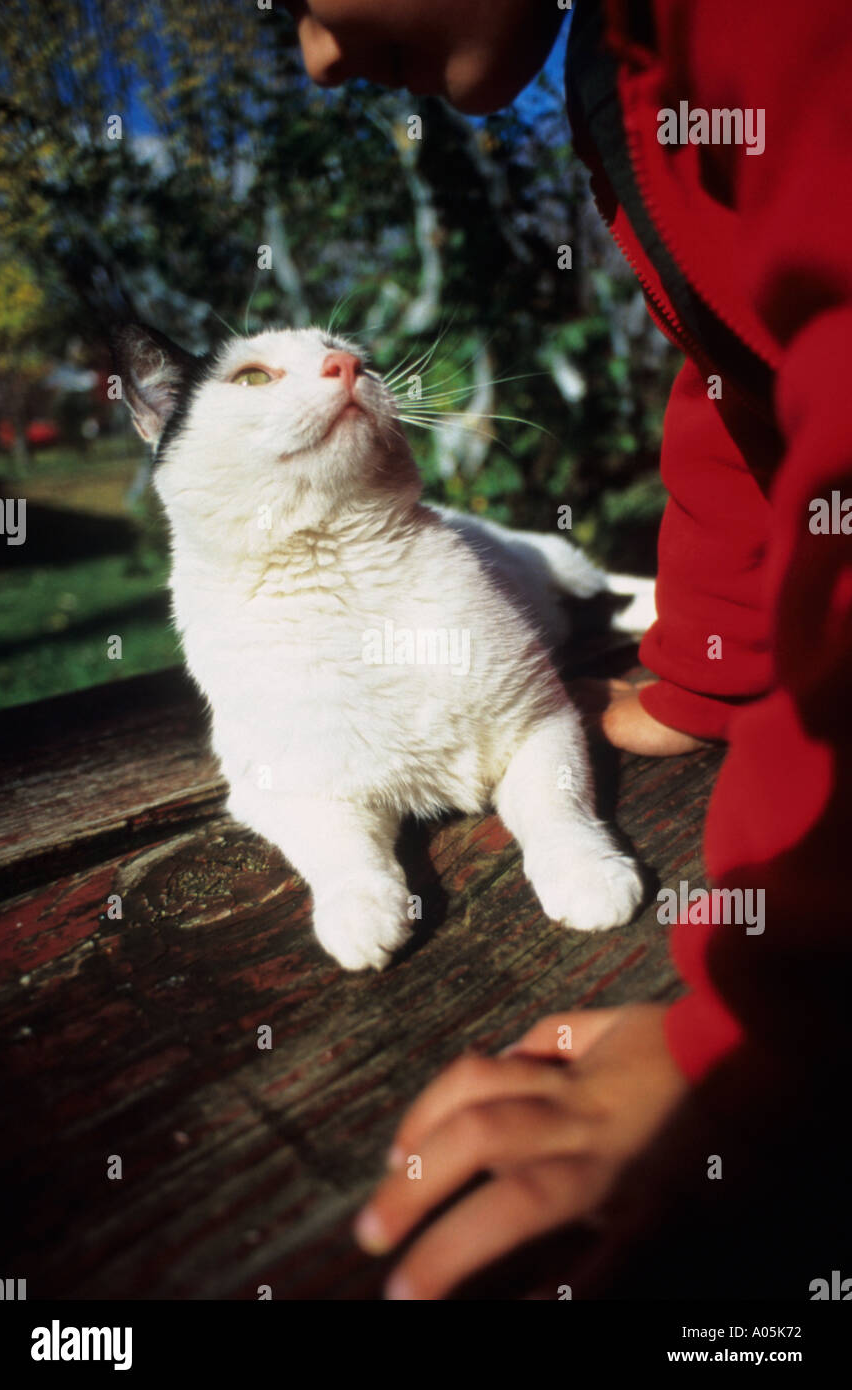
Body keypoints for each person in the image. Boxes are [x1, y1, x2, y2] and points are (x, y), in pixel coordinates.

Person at [284, 0, 852, 1299]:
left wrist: (771, 1028)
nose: (316, 52)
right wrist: (709, 664)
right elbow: (739, 372)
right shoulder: (633, 61)